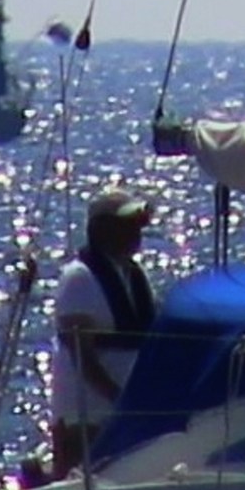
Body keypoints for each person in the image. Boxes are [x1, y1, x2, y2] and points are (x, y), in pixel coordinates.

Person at [48, 189, 158, 473]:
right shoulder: (79, 277)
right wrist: (119, 400)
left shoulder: (134, 275)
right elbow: (81, 353)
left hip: (126, 413)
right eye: (127, 224)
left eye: (138, 225)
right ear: (102, 229)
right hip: (87, 416)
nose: (136, 232)